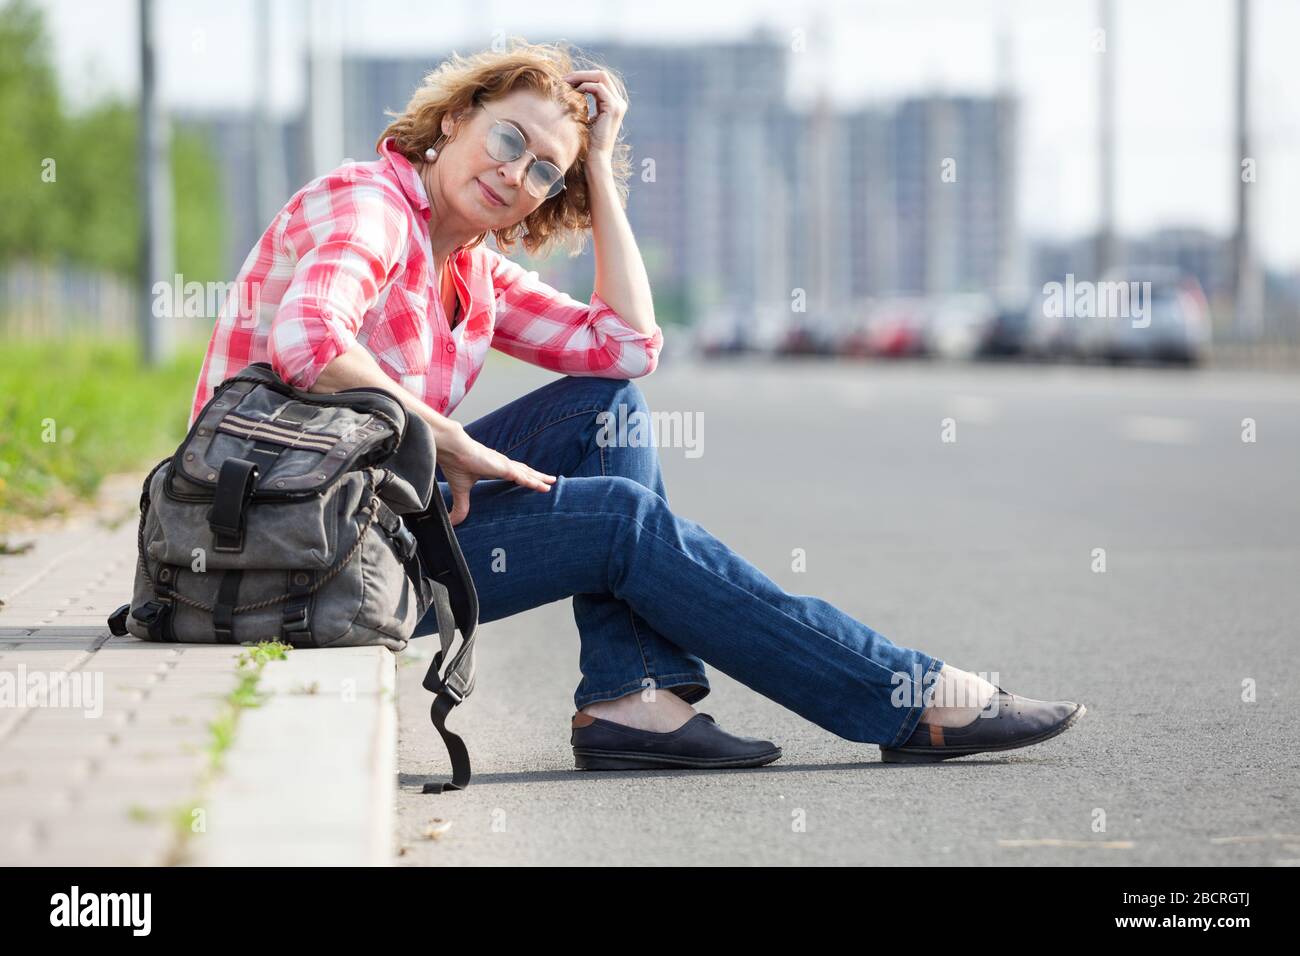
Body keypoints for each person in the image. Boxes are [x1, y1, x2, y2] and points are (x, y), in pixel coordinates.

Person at [190, 40, 1085, 770]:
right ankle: (901, 695)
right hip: (292, 553)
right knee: (618, 518)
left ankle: (634, 697)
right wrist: (451, 438)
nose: (516, 176)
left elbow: (627, 347)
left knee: (603, 405)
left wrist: (603, 170)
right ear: (455, 119)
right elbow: (310, 344)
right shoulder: (370, 203)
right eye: (508, 141)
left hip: (365, 529)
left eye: (546, 172)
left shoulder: (468, 268)